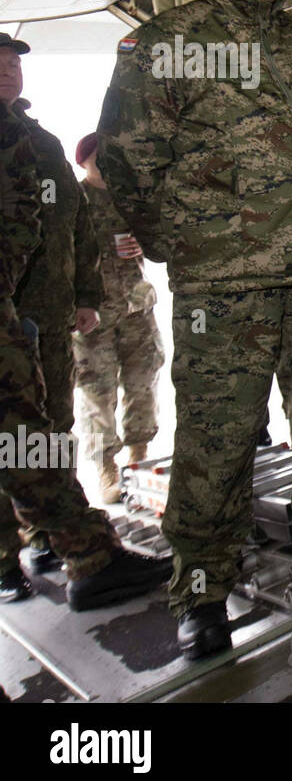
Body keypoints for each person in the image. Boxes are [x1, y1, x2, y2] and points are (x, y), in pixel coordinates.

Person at [96, 0, 292, 661]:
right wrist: (183, 243)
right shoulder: (169, 44)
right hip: (227, 288)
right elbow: (124, 156)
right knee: (218, 440)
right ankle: (202, 585)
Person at [0, 94, 171, 608]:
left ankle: (65, 540)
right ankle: (45, 546)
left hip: (78, 315)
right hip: (57, 319)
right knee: (53, 423)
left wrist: (86, 295)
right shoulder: (62, 178)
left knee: (43, 429)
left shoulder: (40, 150)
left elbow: (65, 237)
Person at [0, 34, 101, 577]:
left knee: (53, 425)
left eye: (14, 63)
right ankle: (5, 556)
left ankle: (50, 534)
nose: (8, 70)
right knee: (8, 436)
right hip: (9, 316)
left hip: (51, 314)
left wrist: (86, 294)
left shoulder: (41, 143)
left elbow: (77, 224)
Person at [71, 133, 164, 504]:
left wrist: (145, 243)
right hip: (93, 315)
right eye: (98, 159)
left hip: (136, 308)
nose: (106, 165)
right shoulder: (75, 201)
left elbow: (160, 240)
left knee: (143, 383)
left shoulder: (132, 199)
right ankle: (106, 469)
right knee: (98, 392)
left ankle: (139, 461)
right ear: (83, 163)